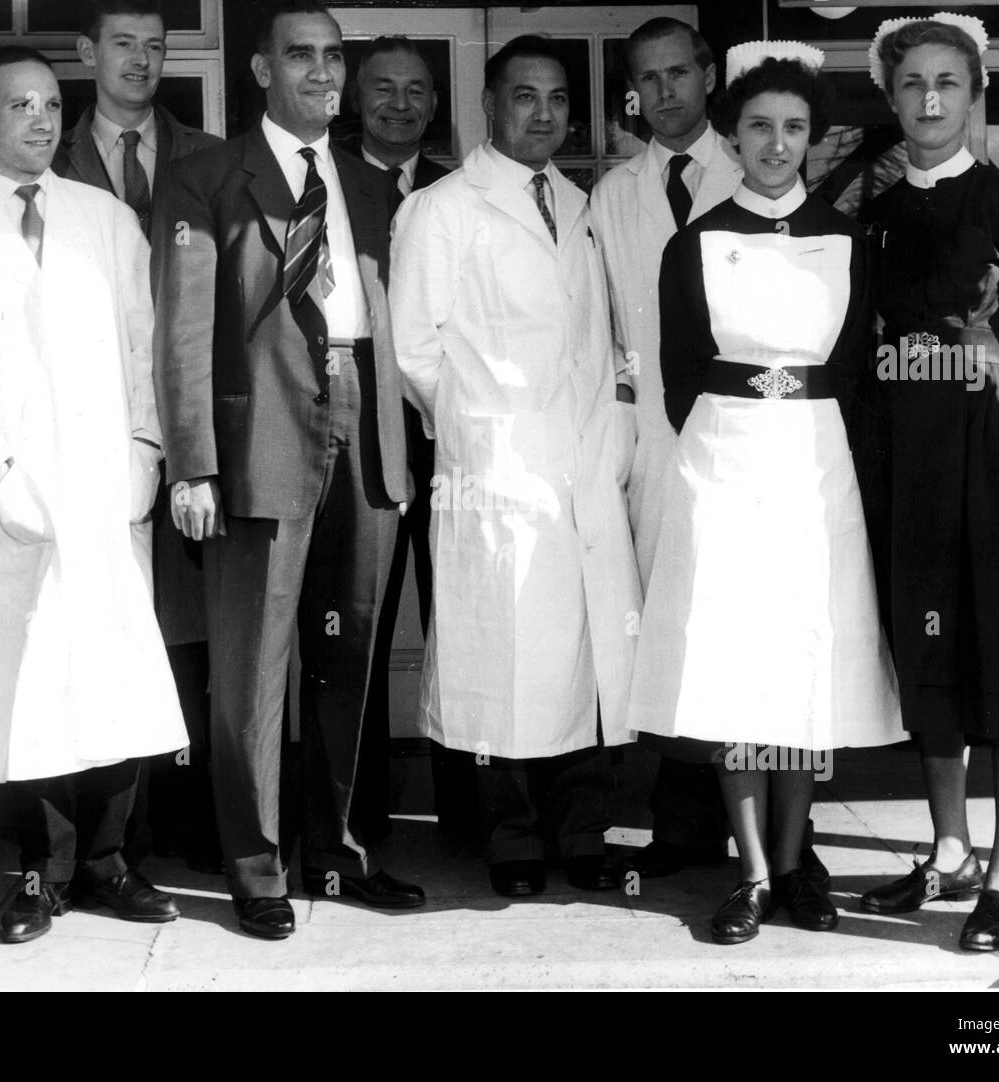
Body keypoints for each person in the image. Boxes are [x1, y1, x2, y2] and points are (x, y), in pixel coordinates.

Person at [0, 46, 188, 944]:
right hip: (9, 503)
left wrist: (145, 449)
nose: (45, 120)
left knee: (116, 682)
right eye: (22, 105)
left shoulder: (107, 222)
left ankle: (107, 866)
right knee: (25, 692)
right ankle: (34, 876)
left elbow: (148, 348)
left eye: (54, 104)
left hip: (105, 491)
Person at [150, 2, 425, 941]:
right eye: (299, 55)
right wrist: (193, 465)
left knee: (349, 660)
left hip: (366, 430)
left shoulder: (367, 182)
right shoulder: (204, 179)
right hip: (258, 439)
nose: (321, 72)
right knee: (253, 667)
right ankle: (257, 865)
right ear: (261, 71)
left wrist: (396, 439)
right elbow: (183, 333)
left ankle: (337, 849)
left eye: (333, 57)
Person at [627, 42, 906, 945]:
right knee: (736, 662)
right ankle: (749, 869)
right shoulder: (695, 243)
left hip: (815, 466)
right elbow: (678, 376)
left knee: (804, 660)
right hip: (726, 462)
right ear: (733, 138)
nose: (776, 144)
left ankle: (795, 863)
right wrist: (738, 420)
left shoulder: (846, 237)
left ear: (811, 138)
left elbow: (859, 374)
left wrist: (812, 426)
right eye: (758, 128)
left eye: (793, 129)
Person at [390, 34, 641, 898]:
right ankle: (511, 837)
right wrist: (479, 430)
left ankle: (582, 832)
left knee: (580, 655)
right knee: (502, 661)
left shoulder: (579, 205)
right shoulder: (443, 207)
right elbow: (415, 351)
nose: (544, 113)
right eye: (524, 96)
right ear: (488, 107)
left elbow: (599, 338)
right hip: (494, 464)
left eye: (558, 98)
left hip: (577, 463)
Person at [857, 14, 999, 952]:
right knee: (928, 641)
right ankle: (948, 848)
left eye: (949, 82)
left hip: (993, 452)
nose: (931, 100)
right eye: (913, 83)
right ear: (892, 94)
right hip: (905, 453)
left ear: (975, 91)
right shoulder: (867, 204)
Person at [53, 0, 224, 875]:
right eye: (122, 44)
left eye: (156, 47)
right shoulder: (53, 156)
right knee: (87, 627)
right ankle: (83, 836)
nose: (140, 62)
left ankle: (182, 823)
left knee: (184, 633)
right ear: (88, 52)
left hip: (187, 425)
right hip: (86, 425)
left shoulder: (208, 156)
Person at [590, 16, 742, 881]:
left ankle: (769, 832)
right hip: (655, 441)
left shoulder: (755, 166)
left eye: (678, 73)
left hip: (742, 438)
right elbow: (605, 328)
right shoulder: (613, 196)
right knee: (671, 628)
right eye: (647, 81)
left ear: (708, 74)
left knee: (741, 623)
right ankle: (684, 822)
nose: (665, 93)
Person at [338, 36, 480, 845]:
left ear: (437, 103)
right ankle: (359, 816)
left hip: (452, 441)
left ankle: (468, 810)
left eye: (417, 89)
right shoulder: (330, 181)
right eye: (383, 88)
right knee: (361, 624)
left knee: (461, 617)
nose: (400, 103)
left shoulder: (464, 191)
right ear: (359, 97)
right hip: (361, 439)